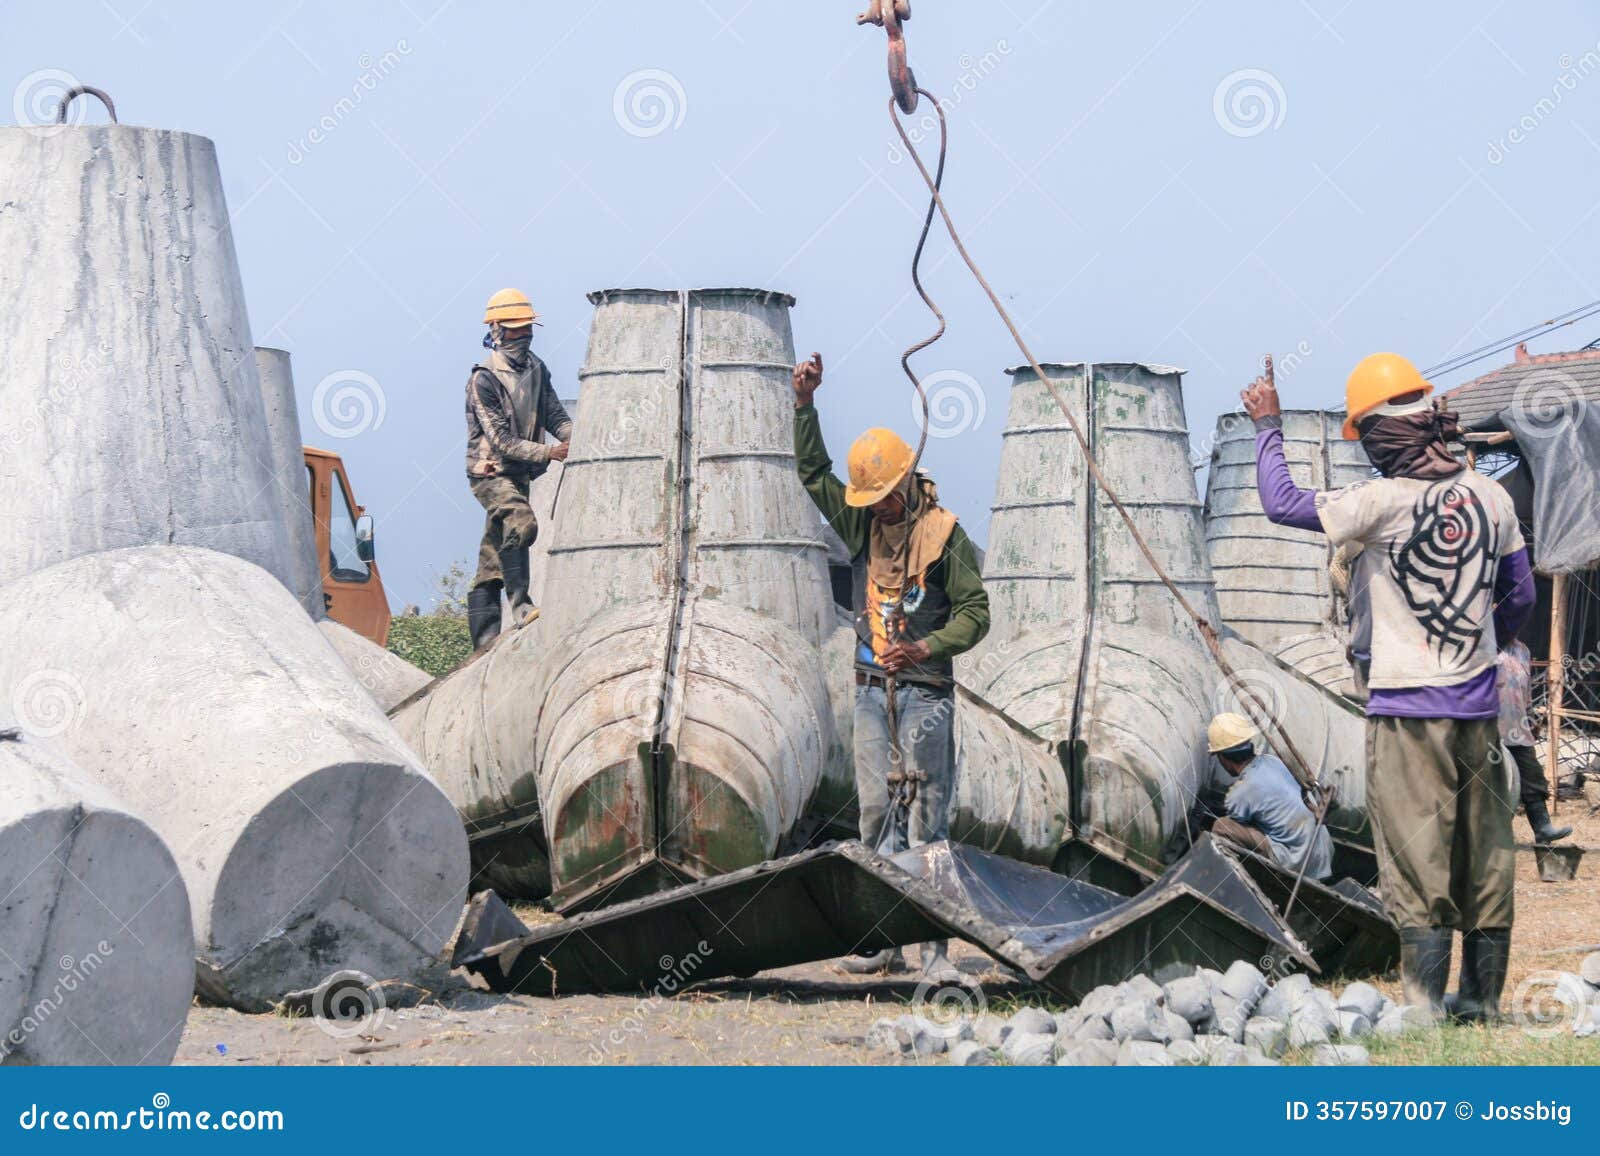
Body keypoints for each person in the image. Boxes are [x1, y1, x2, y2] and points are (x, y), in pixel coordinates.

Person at [1242, 351, 1536, 1023]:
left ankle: (1428, 1011)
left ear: (1382, 435)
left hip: (1407, 710)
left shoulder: (1379, 502)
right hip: (1480, 710)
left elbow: (1281, 504)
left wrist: (1267, 426)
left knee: (1416, 852)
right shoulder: (1491, 498)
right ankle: (1484, 1003)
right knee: (1486, 850)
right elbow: (1518, 595)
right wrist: (1477, 644)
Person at [792, 352, 990, 983]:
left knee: (926, 815)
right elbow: (814, 472)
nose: (876, 509)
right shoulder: (858, 526)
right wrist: (805, 404)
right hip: (873, 693)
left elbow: (976, 612)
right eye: (868, 501)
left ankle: (934, 950)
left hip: (927, 696)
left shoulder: (946, 536)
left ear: (904, 484)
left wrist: (928, 648)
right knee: (875, 813)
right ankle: (885, 940)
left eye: (883, 498)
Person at [464, 288, 573, 650]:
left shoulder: (538, 369)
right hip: (491, 473)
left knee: (492, 559)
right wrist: (552, 452)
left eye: (527, 328)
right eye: (514, 329)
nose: (522, 335)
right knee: (522, 522)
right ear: (495, 330)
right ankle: (521, 606)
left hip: (521, 473)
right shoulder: (484, 378)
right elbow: (502, 441)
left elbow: (556, 415)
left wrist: (579, 437)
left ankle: (484, 639)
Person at [1206, 714, 1334, 881]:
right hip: (1324, 855)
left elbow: (1239, 821)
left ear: (1223, 757)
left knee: (1222, 826)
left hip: (1298, 862)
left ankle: (1234, 880)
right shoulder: (1273, 761)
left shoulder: (1240, 792)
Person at [1497, 638, 1572, 844]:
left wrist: (1531, 720)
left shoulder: (1523, 650)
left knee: (1533, 778)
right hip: (1489, 729)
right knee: (1488, 782)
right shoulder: (1481, 643)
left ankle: (1542, 827)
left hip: (1518, 729)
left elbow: (1526, 693)